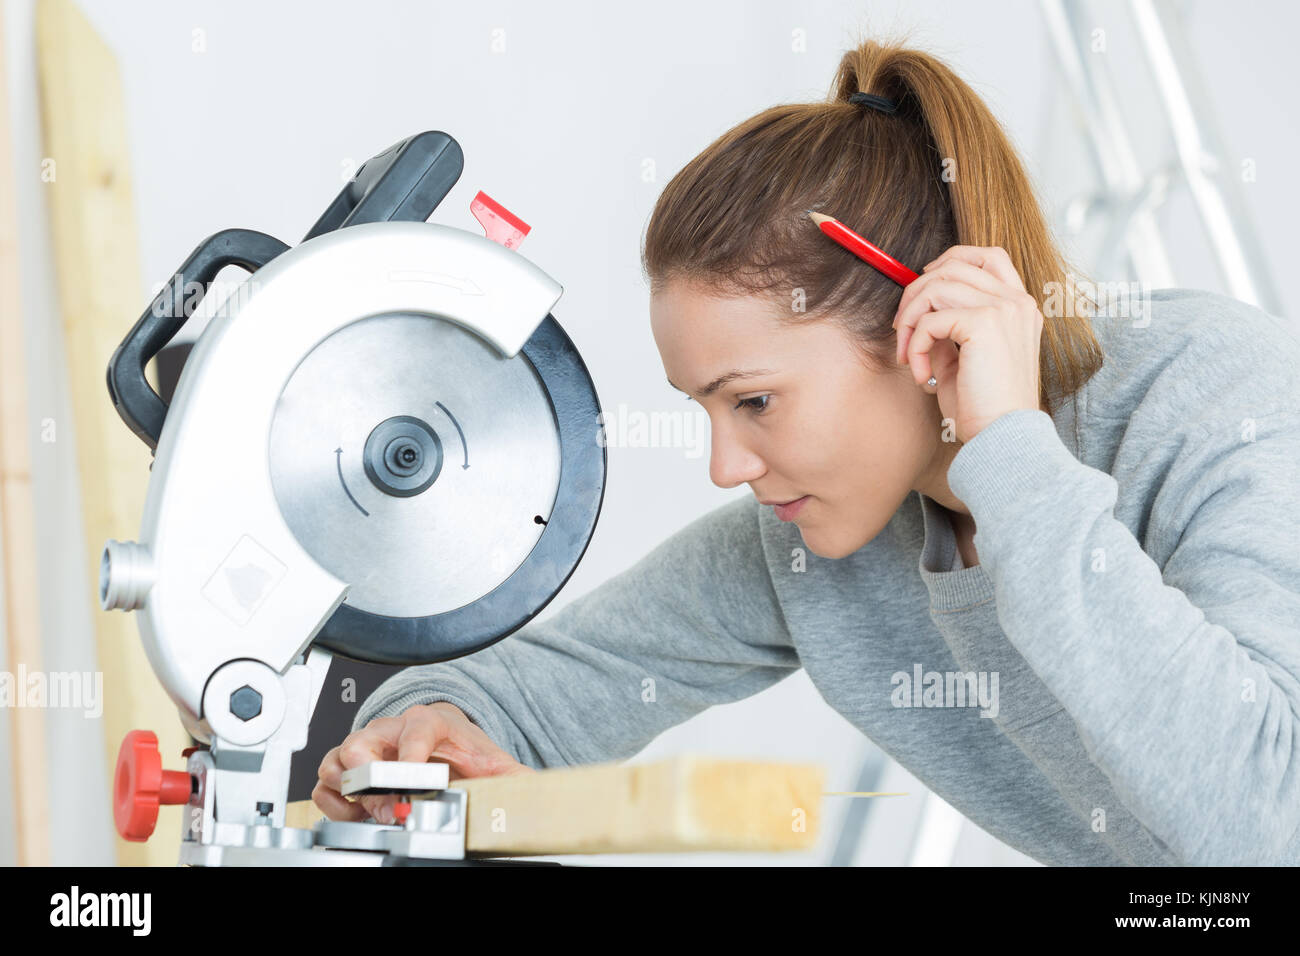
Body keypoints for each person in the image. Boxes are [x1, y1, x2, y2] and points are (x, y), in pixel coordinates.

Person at [313, 38, 1300, 865]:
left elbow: (1263, 822)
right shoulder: (810, 543)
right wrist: (424, 733)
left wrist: (1007, 449)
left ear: (924, 332)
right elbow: (530, 696)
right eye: (704, 408)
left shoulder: (1217, 395)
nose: (726, 466)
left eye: (755, 401)